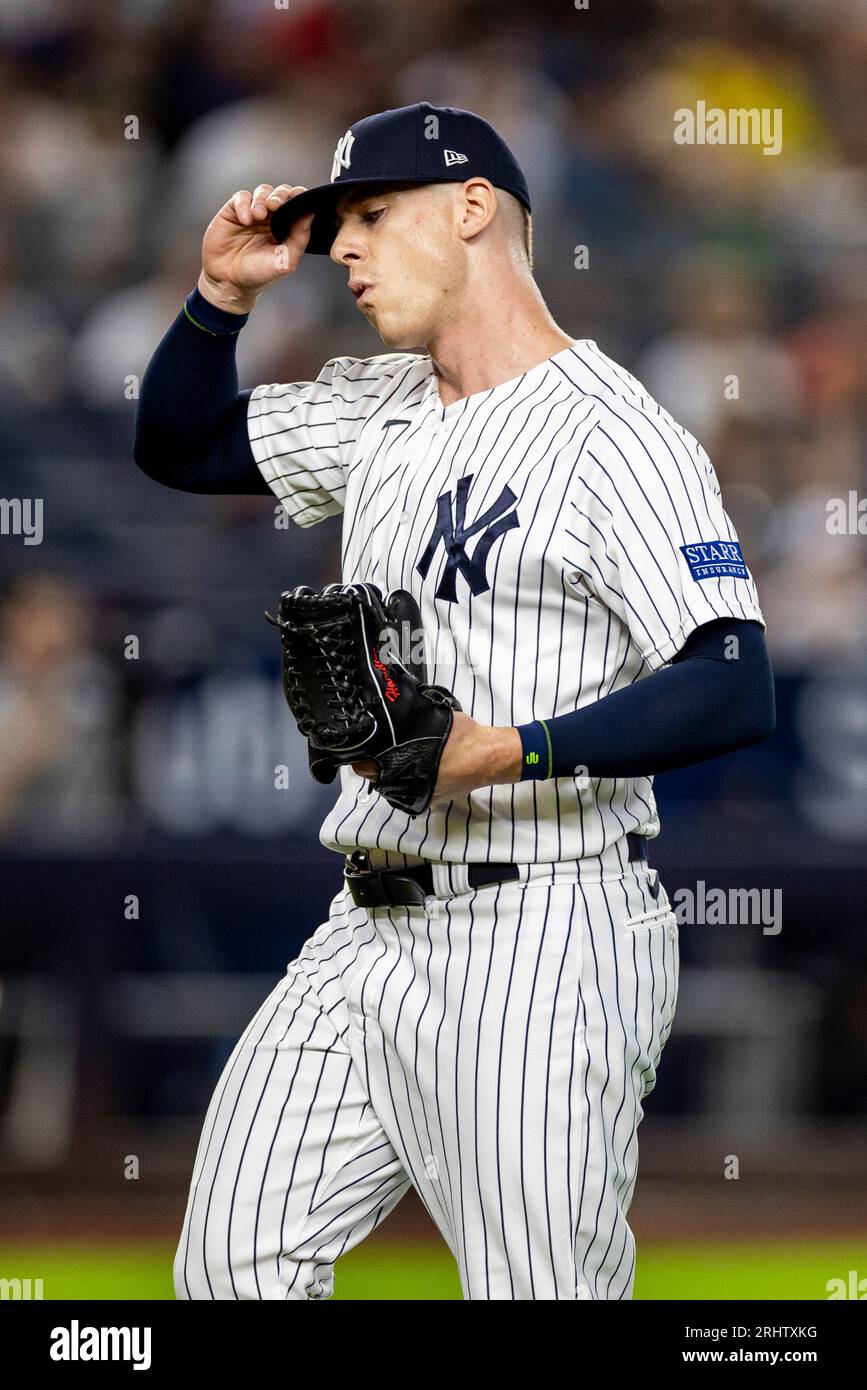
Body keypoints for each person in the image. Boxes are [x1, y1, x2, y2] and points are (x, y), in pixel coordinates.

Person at [135, 103, 774, 1301]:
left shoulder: (614, 435)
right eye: (338, 229)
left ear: (473, 207)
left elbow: (734, 680)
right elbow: (183, 447)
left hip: (544, 927)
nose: (347, 251)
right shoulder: (378, 403)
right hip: (363, 926)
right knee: (228, 1272)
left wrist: (511, 748)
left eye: (372, 215)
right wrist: (219, 297)